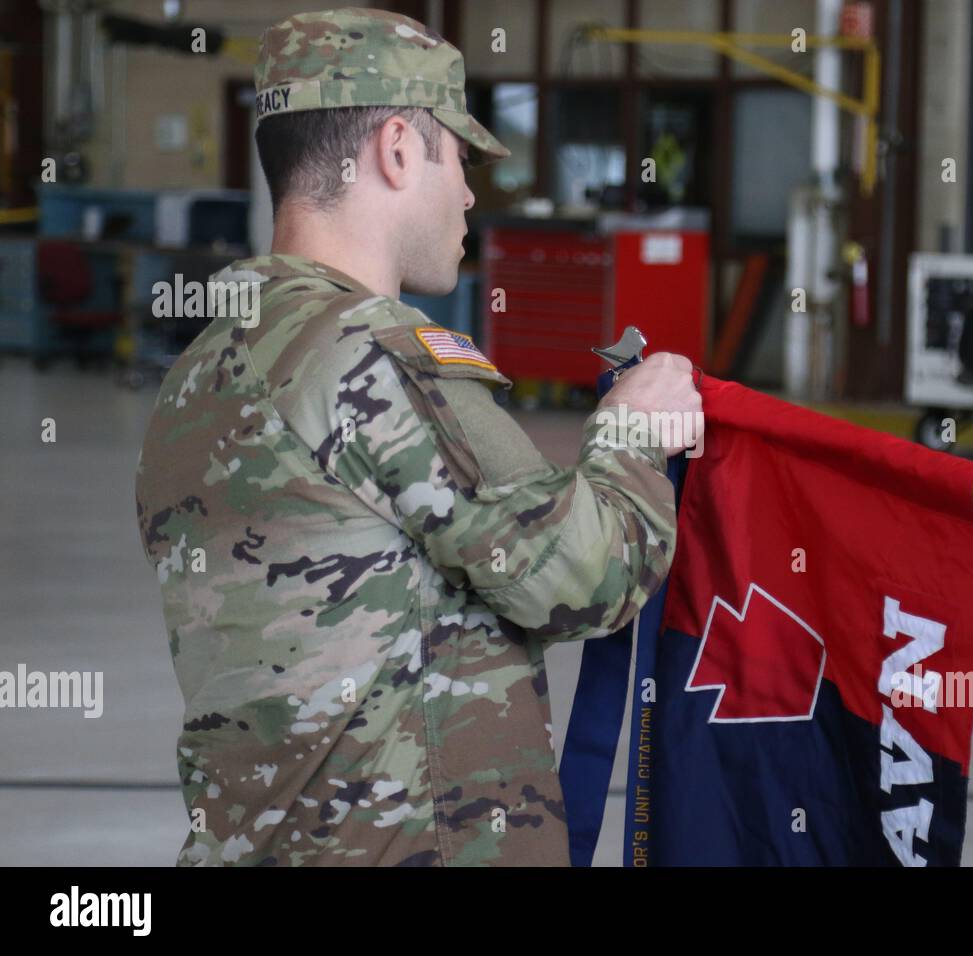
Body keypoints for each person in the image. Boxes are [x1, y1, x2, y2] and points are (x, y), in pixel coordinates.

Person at [134, 6, 701, 867]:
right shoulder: (373, 358)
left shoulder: (199, 373)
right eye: (460, 158)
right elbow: (585, 575)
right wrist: (632, 430)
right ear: (398, 149)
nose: (471, 193)